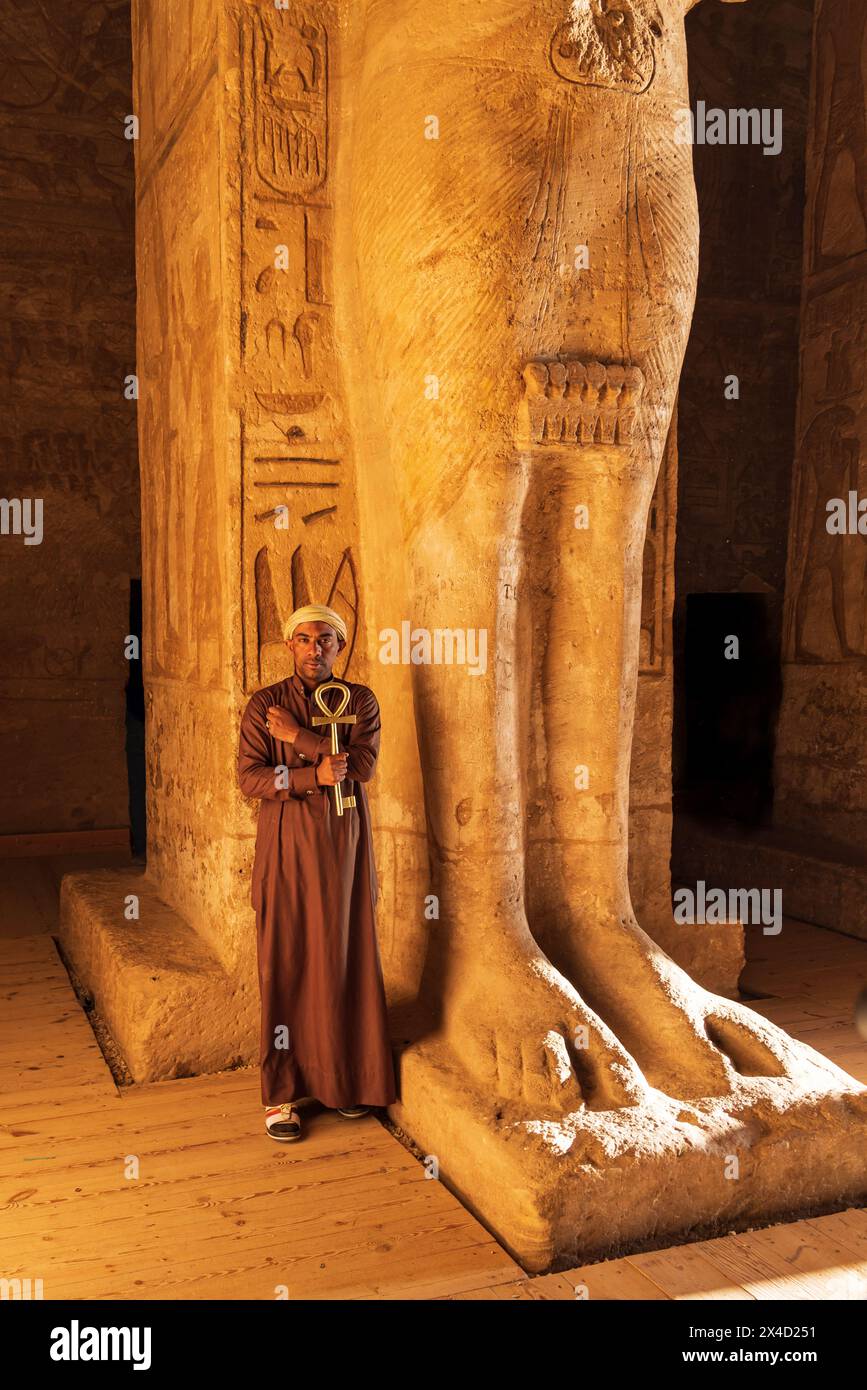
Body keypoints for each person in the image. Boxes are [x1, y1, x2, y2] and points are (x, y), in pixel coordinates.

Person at [238, 603, 397, 1141]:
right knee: (286, 958)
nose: (314, 648)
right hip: (286, 845)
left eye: (325, 639)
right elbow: (251, 779)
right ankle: (281, 1098)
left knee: (342, 955)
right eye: (303, 639)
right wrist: (310, 774)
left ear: (340, 645)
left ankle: (343, 1081)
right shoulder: (265, 705)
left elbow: (363, 768)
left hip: (344, 846)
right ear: (289, 645)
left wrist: (303, 740)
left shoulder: (361, 701)